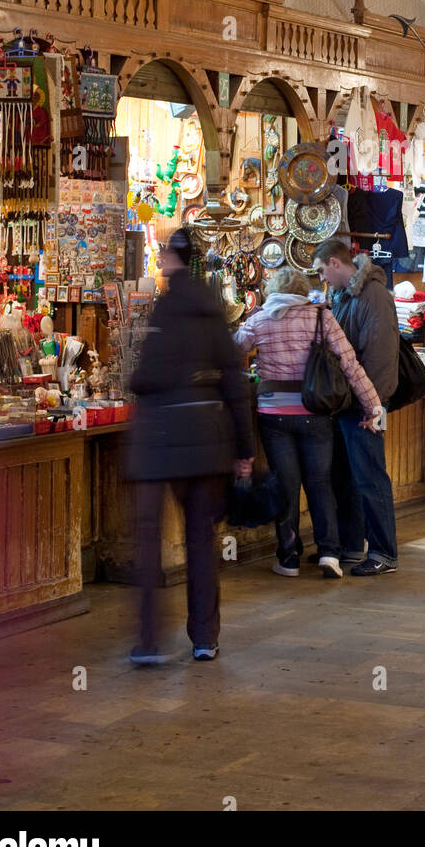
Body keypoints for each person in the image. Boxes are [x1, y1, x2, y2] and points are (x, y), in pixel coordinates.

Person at [125, 229, 255, 665]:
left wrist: (139, 383)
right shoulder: (213, 312)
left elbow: (147, 375)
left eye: (163, 255)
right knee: (202, 541)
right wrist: (244, 449)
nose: (160, 263)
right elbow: (235, 382)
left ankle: (148, 641)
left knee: (149, 544)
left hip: (160, 441)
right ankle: (204, 637)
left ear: (171, 259)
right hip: (207, 441)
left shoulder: (165, 308)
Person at [234, 267, 382, 580]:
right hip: (315, 412)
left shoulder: (260, 319)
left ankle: (288, 558)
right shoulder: (321, 317)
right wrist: (373, 406)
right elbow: (350, 363)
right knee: (320, 483)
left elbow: (232, 350)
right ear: (303, 292)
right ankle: (329, 553)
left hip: (273, 415)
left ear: (273, 290)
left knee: (285, 486)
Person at [312, 240, 400, 575]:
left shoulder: (373, 295)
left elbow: (380, 354)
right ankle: (351, 544)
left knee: (370, 475)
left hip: (367, 403)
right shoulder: (345, 294)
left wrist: (372, 406)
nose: (323, 278)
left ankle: (384, 552)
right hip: (350, 401)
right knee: (347, 475)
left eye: (322, 271)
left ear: (335, 263)